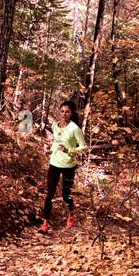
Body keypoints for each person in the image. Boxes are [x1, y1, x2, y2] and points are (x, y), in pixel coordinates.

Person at [40, 99, 86, 232]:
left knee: (66, 195)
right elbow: (56, 141)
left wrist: (69, 150)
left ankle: (71, 214)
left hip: (69, 165)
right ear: (59, 112)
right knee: (49, 194)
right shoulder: (55, 125)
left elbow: (83, 147)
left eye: (67, 112)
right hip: (54, 163)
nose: (64, 114)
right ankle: (45, 224)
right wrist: (51, 148)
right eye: (62, 111)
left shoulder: (74, 128)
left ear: (71, 113)